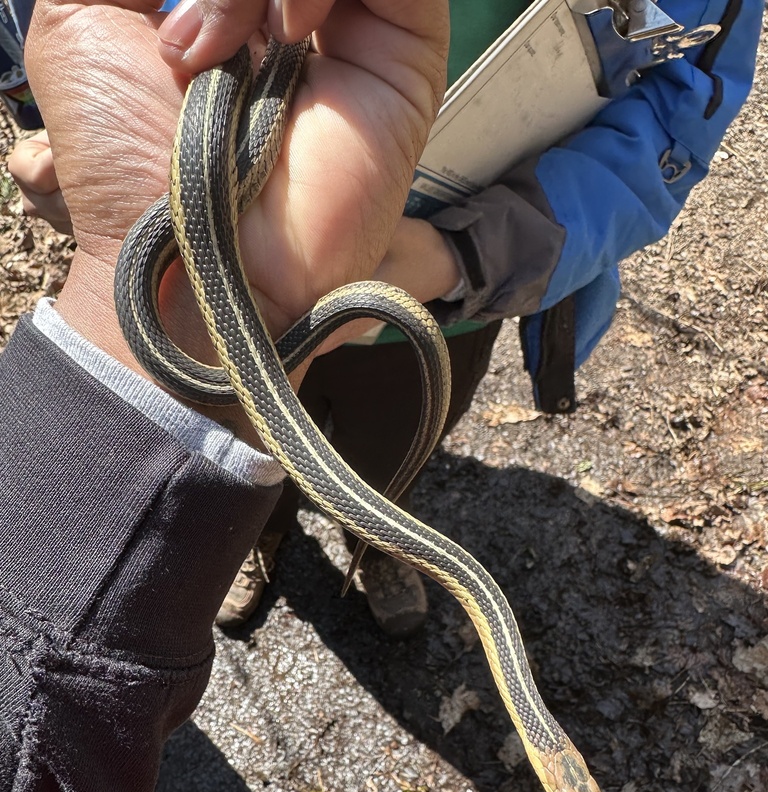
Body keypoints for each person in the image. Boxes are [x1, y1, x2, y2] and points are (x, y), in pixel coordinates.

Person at [8, 0, 762, 635]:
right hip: (245, 248)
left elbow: (677, 116)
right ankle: (256, 527)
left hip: (443, 304)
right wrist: (63, 128)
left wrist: (457, 254)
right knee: (256, 445)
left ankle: (375, 538)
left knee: (390, 443)